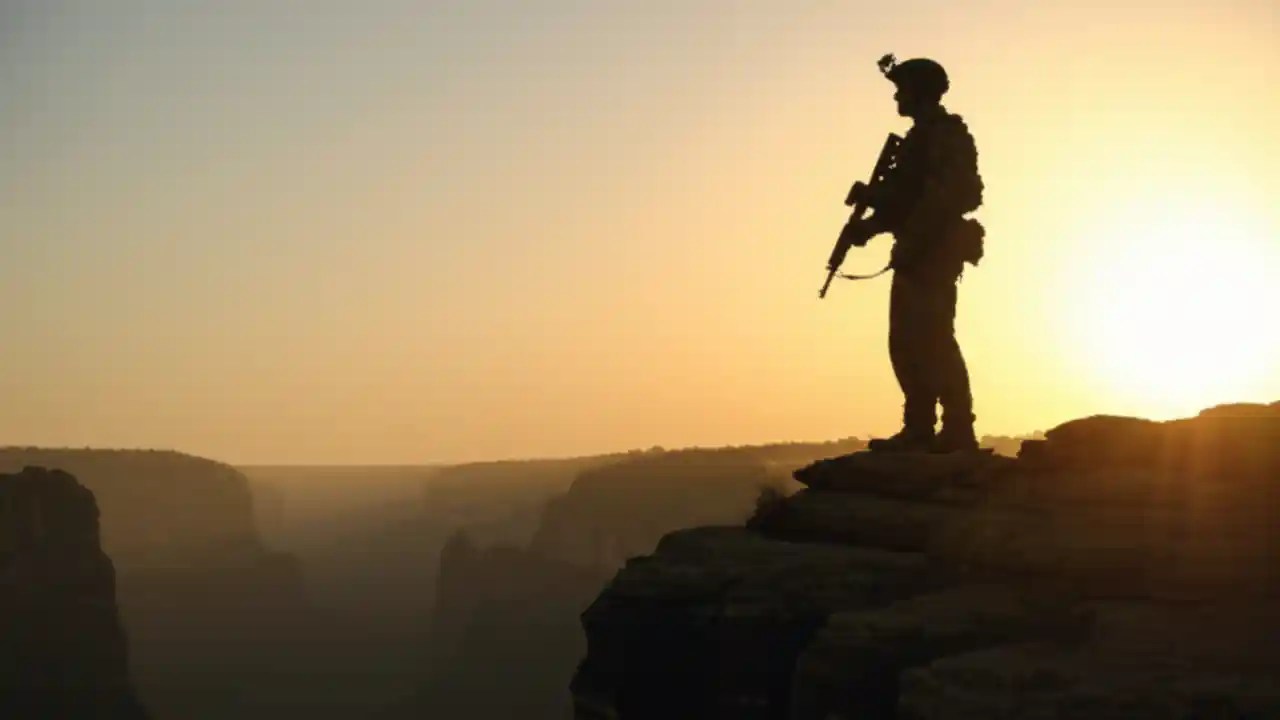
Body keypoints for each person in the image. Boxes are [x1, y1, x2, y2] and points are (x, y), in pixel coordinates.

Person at [839, 56, 985, 453]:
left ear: (920, 91)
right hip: (914, 252)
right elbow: (901, 202)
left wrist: (882, 203)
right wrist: (868, 224)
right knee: (905, 342)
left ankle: (957, 427)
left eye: (901, 90)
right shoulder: (920, 139)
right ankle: (919, 424)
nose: (897, 98)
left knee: (934, 339)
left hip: (933, 252)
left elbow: (958, 193)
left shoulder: (946, 135)